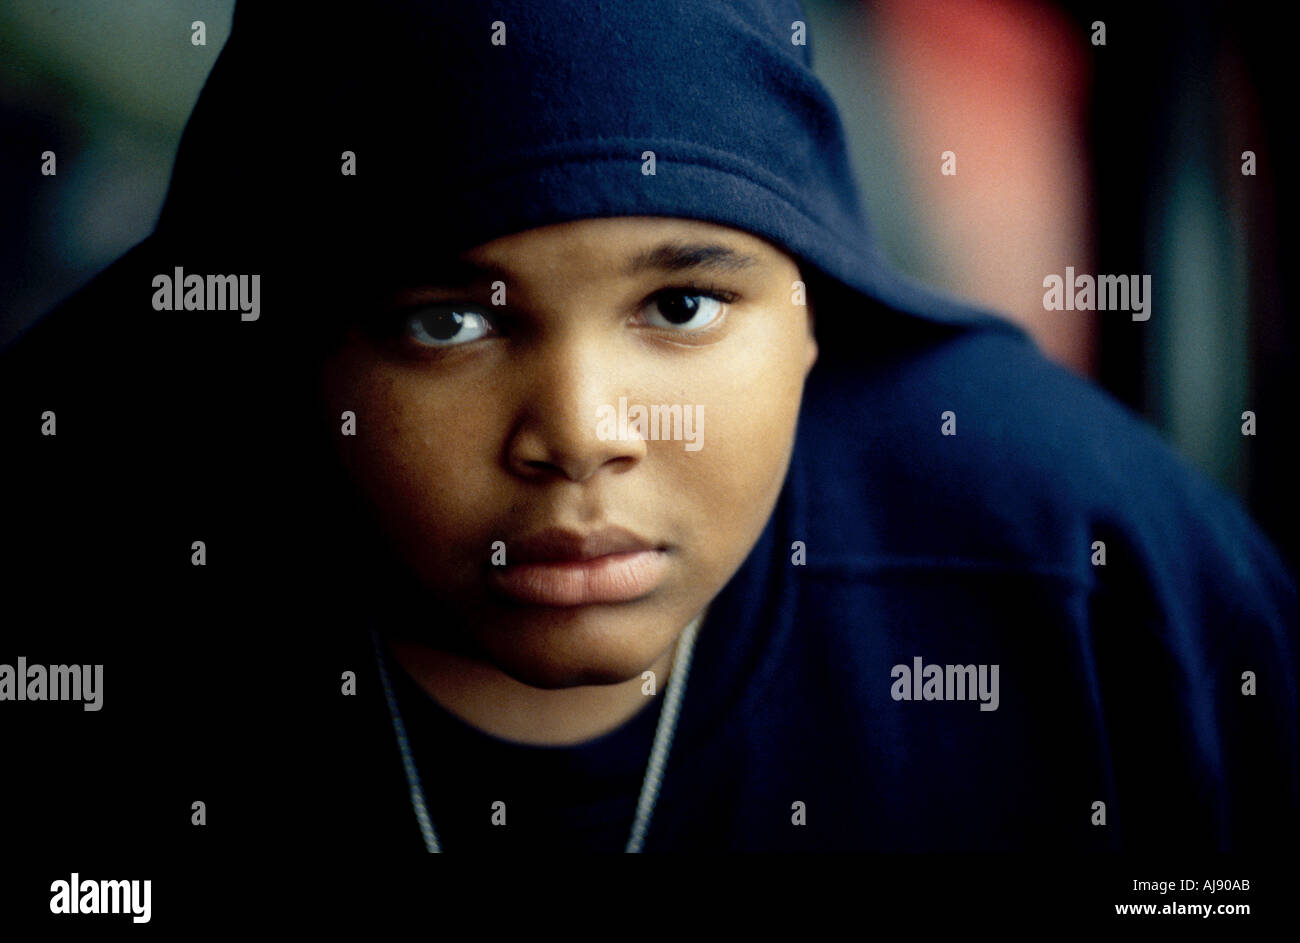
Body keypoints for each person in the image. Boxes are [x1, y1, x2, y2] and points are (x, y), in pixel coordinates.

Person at [1, 0, 1293, 860]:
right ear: (287, 347)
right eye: (447, 323)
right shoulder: (72, 593)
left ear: (816, 305)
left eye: (680, 304)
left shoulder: (1092, 577)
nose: (581, 434)